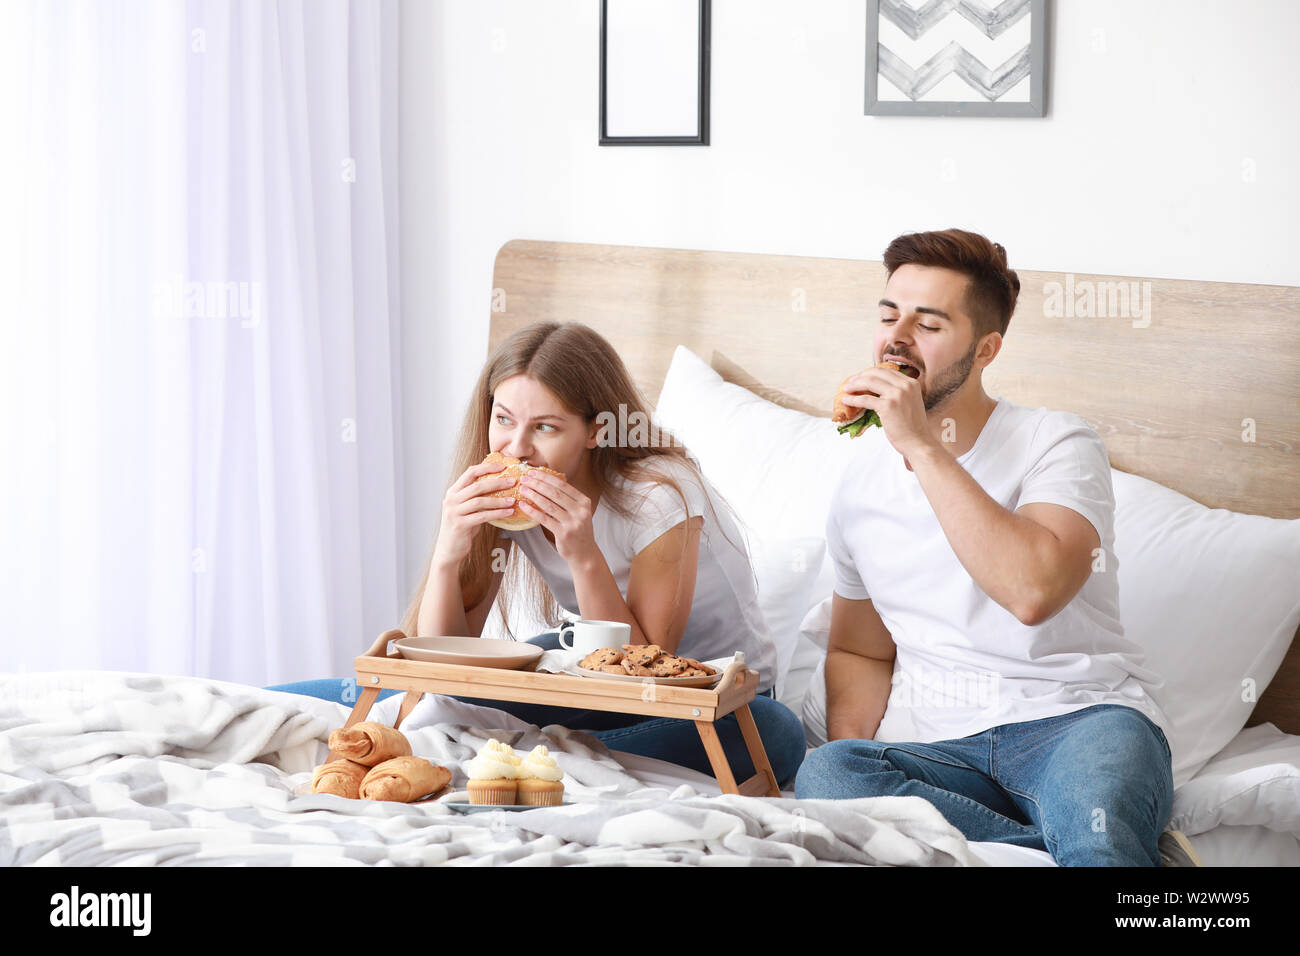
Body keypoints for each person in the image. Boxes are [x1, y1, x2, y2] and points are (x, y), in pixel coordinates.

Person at [793, 228, 1184, 866]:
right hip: (939, 748)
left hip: (1080, 723)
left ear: (986, 349)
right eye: (889, 315)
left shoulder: (1056, 442)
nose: (897, 338)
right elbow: (858, 648)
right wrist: (854, 803)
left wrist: (921, 447)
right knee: (830, 776)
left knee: (1100, 839)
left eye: (929, 324)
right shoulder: (860, 480)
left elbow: (1033, 592)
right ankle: (1059, 852)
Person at [374, 321, 804, 786]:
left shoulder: (659, 493)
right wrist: (448, 552)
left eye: (545, 427)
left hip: (708, 693)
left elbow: (646, 669)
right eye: (504, 419)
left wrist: (583, 555)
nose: (517, 449)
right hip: (592, 672)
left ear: (596, 431)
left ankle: (519, 753)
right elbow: (446, 666)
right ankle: (547, 754)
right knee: (500, 669)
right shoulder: (504, 493)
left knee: (777, 735)